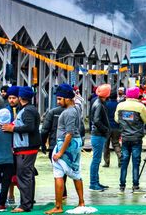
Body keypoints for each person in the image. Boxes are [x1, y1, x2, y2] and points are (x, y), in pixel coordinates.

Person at [48, 83, 88, 215]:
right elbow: (79, 101)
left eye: (60, 99)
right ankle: (81, 202)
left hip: (67, 144)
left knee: (59, 173)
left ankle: (58, 206)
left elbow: (69, 133)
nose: (58, 102)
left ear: (68, 99)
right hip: (74, 144)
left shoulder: (69, 112)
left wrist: (60, 152)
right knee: (76, 173)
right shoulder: (76, 108)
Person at [5, 86, 40, 214]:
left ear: (20, 98)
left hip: (26, 148)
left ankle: (25, 204)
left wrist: (12, 129)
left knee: (23, 176)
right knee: (28, 176)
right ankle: (28, 202)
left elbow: (29, 127)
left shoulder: (27, 111)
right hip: (28, 147)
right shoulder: (29, 109)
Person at [116, 86, 146, 193]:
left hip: (125, 137)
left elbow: (116, 119)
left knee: (124, 161)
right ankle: (135, 185)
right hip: (136, 137)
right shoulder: (140, 106)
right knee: (136, 162)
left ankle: (122, 185)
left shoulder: (120, 105)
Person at [89, 84, 111, 191]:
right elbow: (97, 120)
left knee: (96, 160)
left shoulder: (97, 102)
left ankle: (96, 182)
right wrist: (106, 130)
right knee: (96, 160)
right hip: (98, 135)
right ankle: (93, 183)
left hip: (97, 135)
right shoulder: (99, 105)